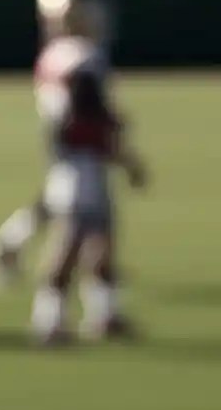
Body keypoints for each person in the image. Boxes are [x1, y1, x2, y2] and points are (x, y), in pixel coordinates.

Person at [0, 0, 112, 279]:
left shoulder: (56, 52)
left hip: (60, 139)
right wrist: (119, 146)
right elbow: (88, 108)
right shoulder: (81, 55)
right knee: (83, 222)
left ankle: (9, 242)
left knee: (58, 201)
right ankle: (58, 306)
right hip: (79, 142)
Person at [30, 62, 148, 345]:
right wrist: (134, 169)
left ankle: (81, 316)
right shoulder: (93, 120)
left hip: (70, 188)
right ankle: (60, 320)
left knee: (86, 255)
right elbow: (112, 148)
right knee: (78, 255)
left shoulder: (65, 120)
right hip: (88, 189)